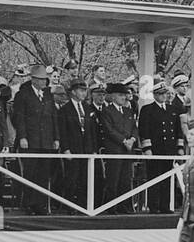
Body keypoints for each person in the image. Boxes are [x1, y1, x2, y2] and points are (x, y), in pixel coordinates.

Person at [10, 64, 60, 214]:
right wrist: (23, 137)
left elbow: (54, 117)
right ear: (34, 80)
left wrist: (56, 137)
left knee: (43, 174)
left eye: (45, 79)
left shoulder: (48, 95)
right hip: (30, 141)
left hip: (46, 141)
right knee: (30, 174)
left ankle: (41, 205)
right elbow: (19, 118)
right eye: (42, 79)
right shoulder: (23, 95)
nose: (45, 82)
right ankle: (29, 205)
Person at [139, 81, 185, 214]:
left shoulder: (172, 110)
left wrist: (179, 147)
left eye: (165, 94)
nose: (164, 96)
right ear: (155, 95)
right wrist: (147, 148)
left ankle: (165, 205)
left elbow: (178, 130)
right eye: (160, 94)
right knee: (154, 177)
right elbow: (144, 129)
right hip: (156, 148)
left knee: (167, 178)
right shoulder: (148, 109)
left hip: (169, 149)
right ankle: (154, 206)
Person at [97, 83, 138, 212]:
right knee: (113, 180)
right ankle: (111, 207)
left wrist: (132, 139)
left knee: (126, 180)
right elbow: (109, 130)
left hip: (127, 151)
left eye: (125, 95)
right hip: (114, 150)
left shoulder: (128, 111)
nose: (124, 98)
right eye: (120, 95)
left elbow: (134, 128)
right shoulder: (106, 111)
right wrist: (123, 140)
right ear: (113, 97)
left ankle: (125, 207)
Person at [56, 78, 95, 210]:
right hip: (73, 149)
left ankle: (84, 206)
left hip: (87, 150)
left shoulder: (87, 108)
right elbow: (63, 131)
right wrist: (66, 149)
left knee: (85, 179)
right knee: (72, 178)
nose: (84, 93)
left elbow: (92, 130)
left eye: (85, 90)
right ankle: (69, 206)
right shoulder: (64, 110)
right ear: (73, 92)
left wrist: (93, 149)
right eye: (81, 90)